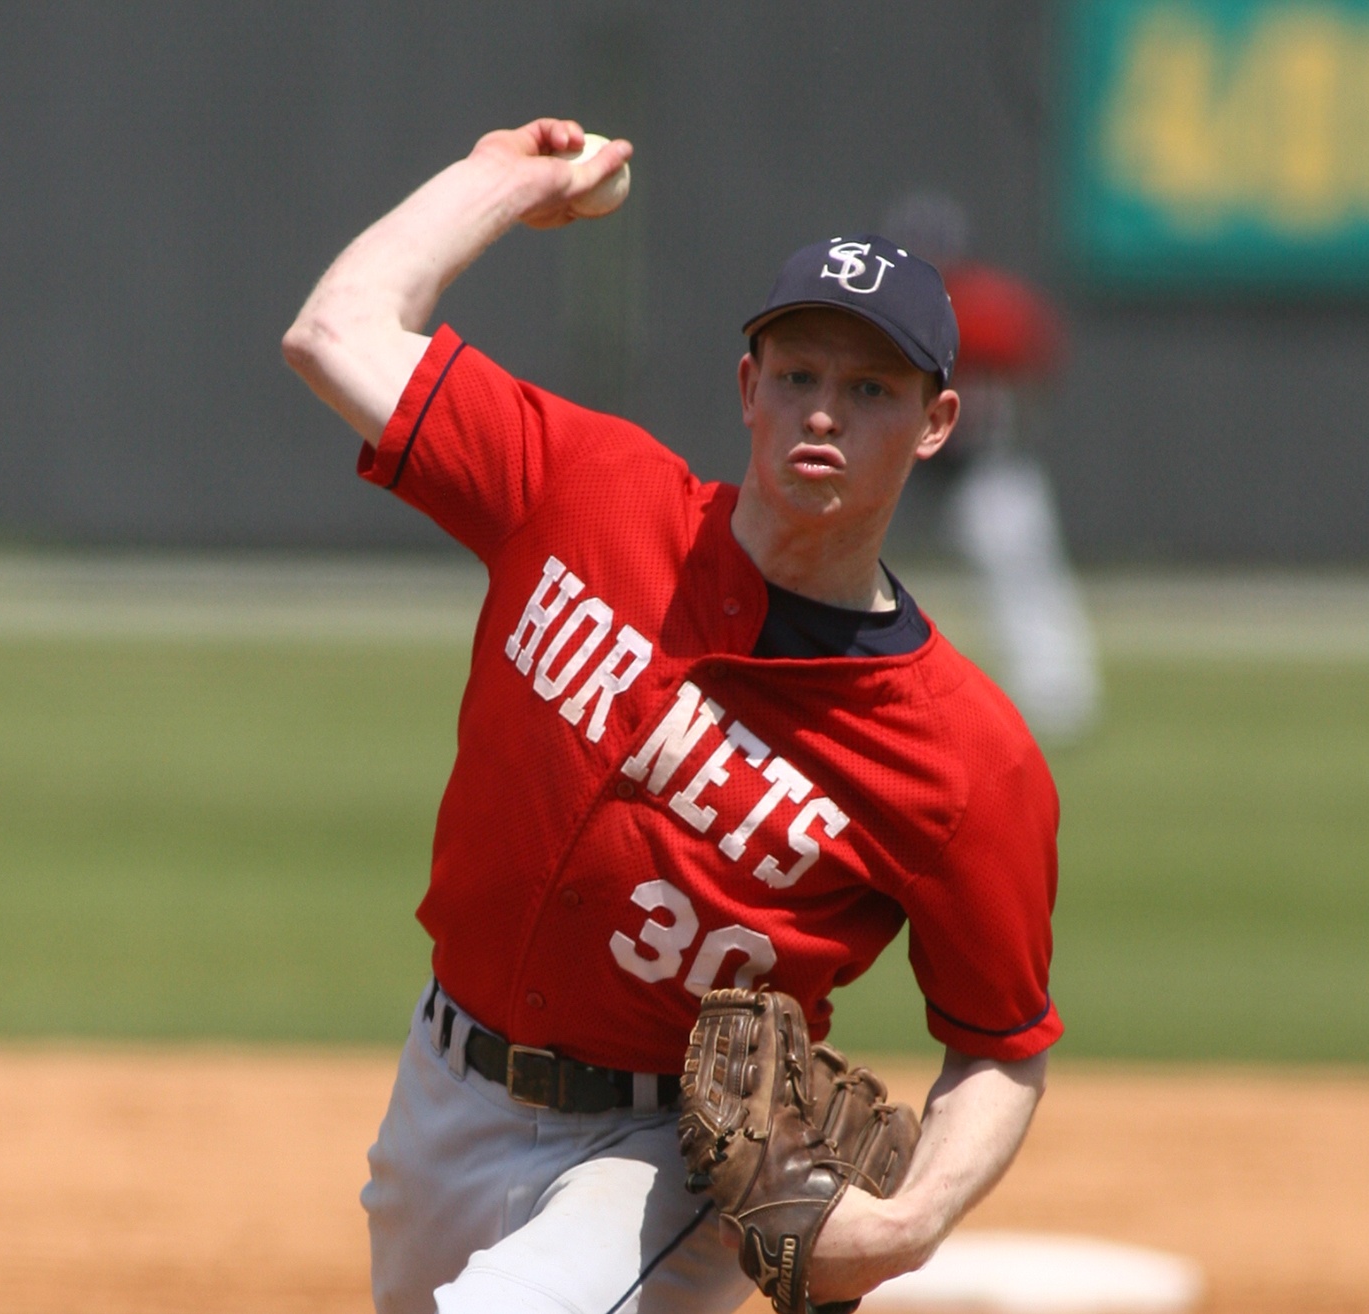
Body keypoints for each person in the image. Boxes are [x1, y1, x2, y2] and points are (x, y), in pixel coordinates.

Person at [283, 120, 1059, 1314]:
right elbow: (335, 333)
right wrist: (503, 181)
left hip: (667, 1164)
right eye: (797, 374)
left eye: (868, 390)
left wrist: (907, 1224)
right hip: (440, 1085)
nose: (823, 414)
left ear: (935, 422)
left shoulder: (964, 758)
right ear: (748, 387)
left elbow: (1000, 1041)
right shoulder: (584, 488)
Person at [881, 191, 1101, 742]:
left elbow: (1033, 367)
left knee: (1021, 571)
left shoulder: (983, 308)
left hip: (981, 466)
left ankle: (1055, 694)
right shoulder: (879, 309)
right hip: (895, 464)